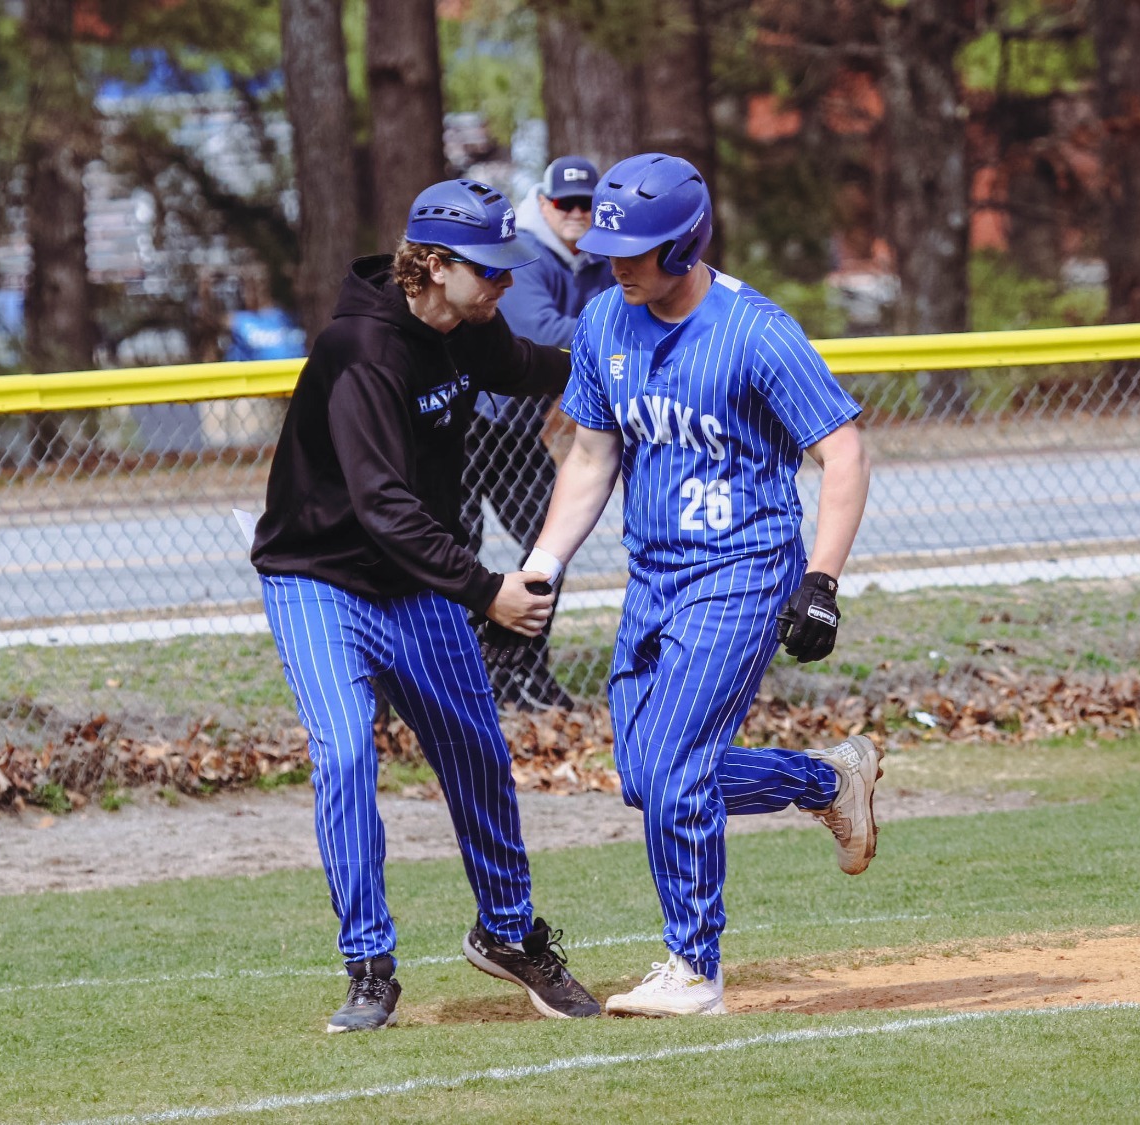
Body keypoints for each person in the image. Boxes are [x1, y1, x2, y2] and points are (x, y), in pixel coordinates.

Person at [524, 153, 879, 1018]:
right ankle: (827, 781)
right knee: (646, 778)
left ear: (683, 246)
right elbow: (592, 456)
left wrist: (822, 580)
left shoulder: (756, 332)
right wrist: (542, 564)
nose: (615, 266)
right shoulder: (604, 320)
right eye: (608, 250)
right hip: (654, 574)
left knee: (677, 767)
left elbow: (843, 451)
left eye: (635, 251)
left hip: (743, 570)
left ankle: (693, 966)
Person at [250, 178, 600, 1033]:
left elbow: (529, 367)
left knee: (477, 752)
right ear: (435, 265)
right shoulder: (361, 351)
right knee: (343, 754)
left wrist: (617, 362)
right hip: (318, 578)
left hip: (414, 581)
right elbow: (383, 505)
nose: (505, 283)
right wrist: (487, 590)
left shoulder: (468, 327)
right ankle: (369, 968)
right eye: (490, 270)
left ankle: (508, 932)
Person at [462, 156, 617, 711]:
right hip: (469, 425)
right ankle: (465, 681)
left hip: (520, 432)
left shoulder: (598, 261)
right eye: (564, 202)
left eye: (586, 203)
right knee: (459, 554)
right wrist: (621, 337)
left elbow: (622, 319)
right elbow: (540, 330)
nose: (576, 212)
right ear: (544, 203)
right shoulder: (525, 252)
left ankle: (522, 673)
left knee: (549, 545)